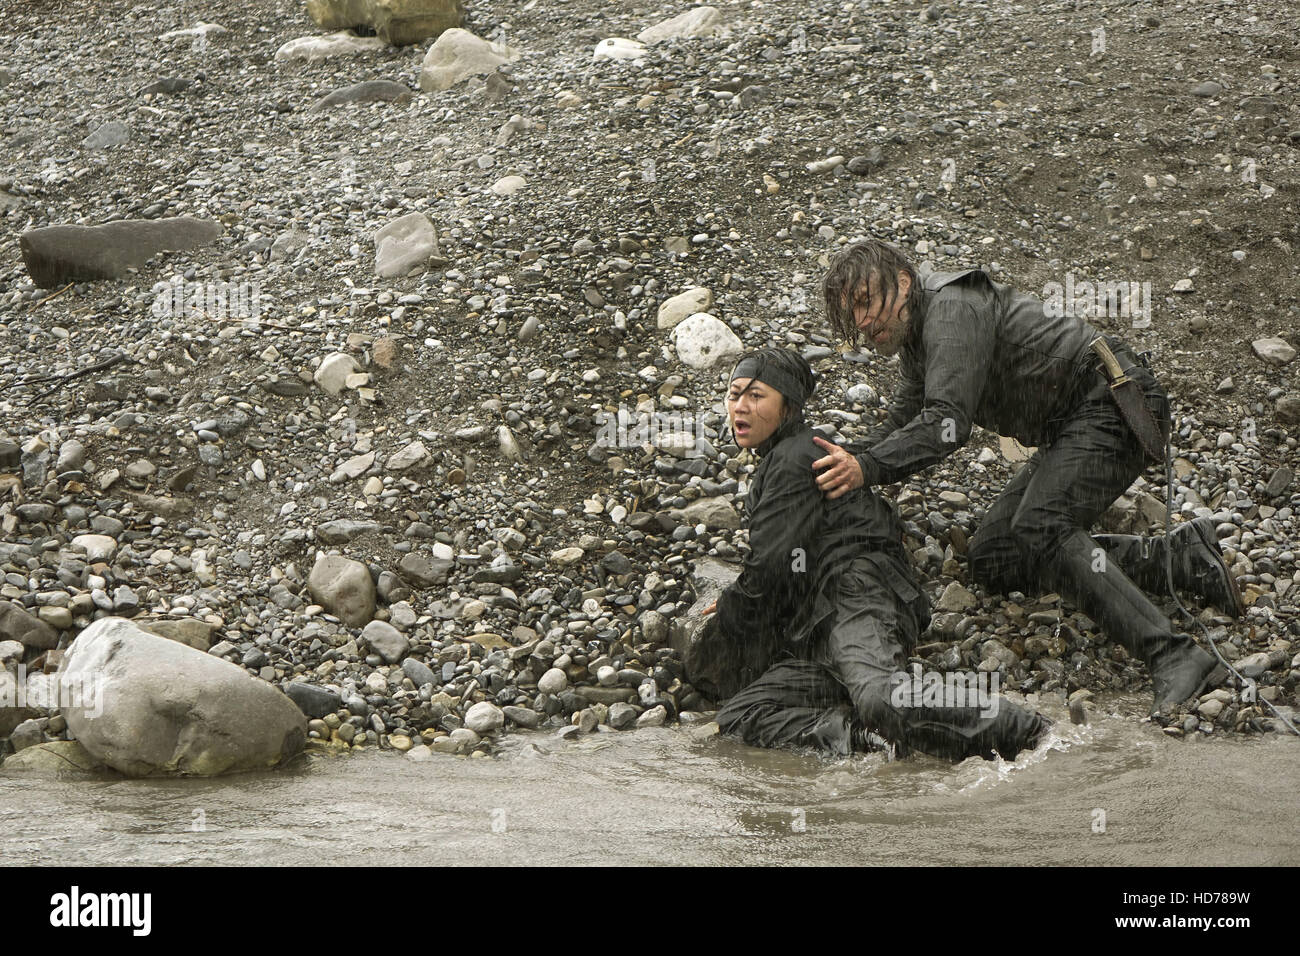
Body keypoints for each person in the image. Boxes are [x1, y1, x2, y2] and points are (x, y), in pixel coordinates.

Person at [810, 240, 1238, 720]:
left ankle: (1174, 654)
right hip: (1074, 425)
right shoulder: (920, 337)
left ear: (904, 283)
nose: (863, 323)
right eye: (852, 313)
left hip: (1115, 404)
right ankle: (1174, 558)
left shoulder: (952, 308)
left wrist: (864, 469)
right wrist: (842, 463)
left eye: (867, 302)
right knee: (995, 558)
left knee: (1042, 524)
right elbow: (906, 420)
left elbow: (945, 425)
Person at [685, 347, 1050, 761]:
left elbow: (770, 568)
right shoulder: (786, 456)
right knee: (742, 714)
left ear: (788, 406)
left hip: (858, 595)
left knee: (879, 697)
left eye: (756, 396)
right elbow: (782, 569)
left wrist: (730, 612)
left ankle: (1030, 729)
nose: (740, 407)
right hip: (820, 628)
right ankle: (862, 737)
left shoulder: (793, 458)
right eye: (734, 395)